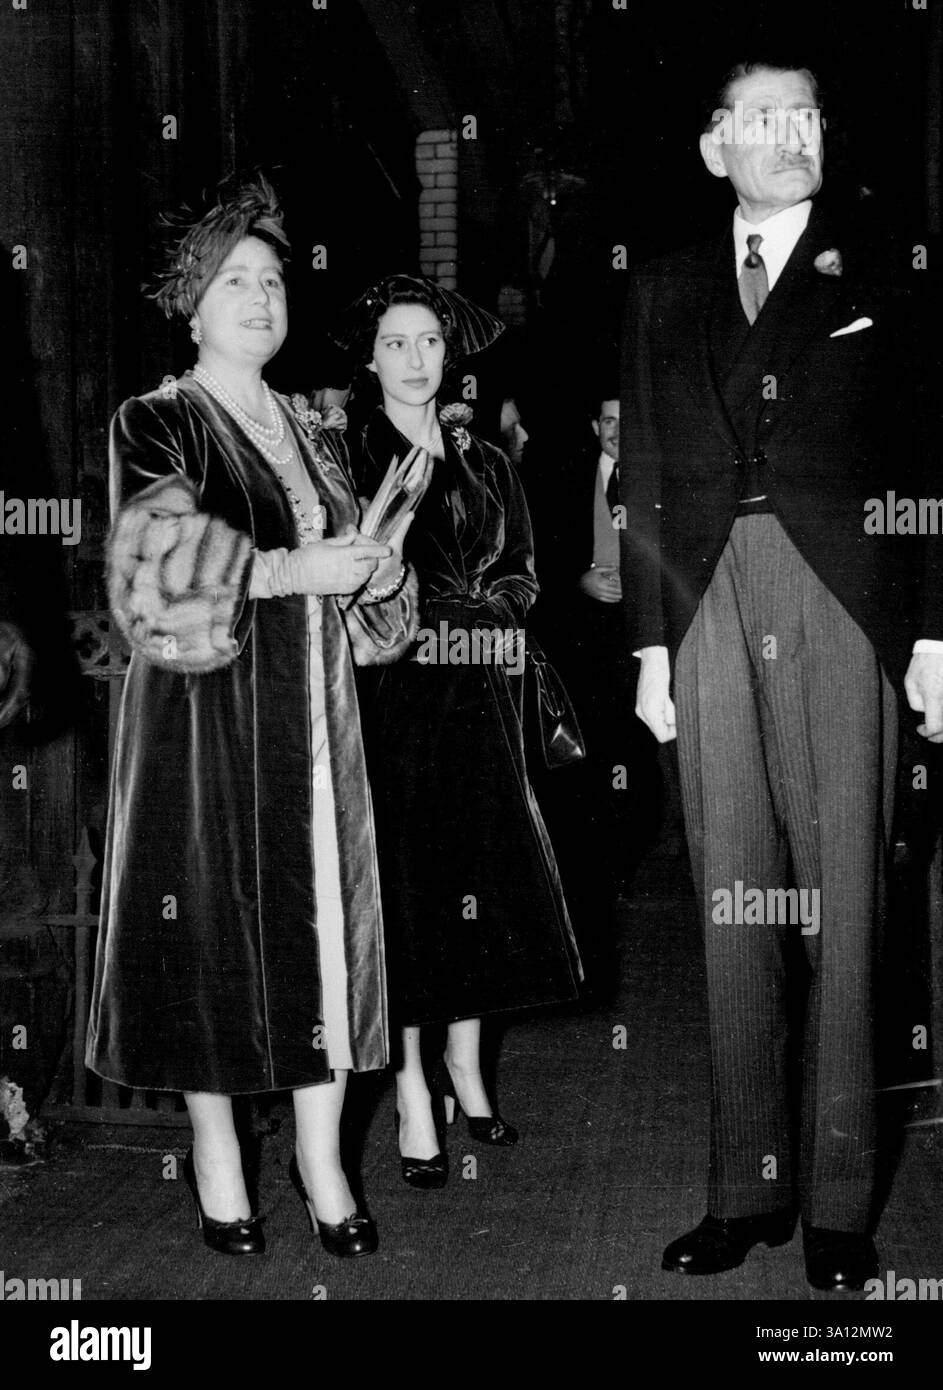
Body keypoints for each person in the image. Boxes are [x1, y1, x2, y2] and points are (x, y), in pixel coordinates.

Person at [620, 60, 942, 1291]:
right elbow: (641, 472)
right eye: (764, 118)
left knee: (845, 905)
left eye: (807, 113)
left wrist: (931, 637)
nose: (791, 134)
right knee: (731, 900)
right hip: (702, 601)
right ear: (715, 148)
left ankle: (844, 1206)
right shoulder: (662, 285)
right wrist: (648, 646)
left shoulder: (889, 272)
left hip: (841, 599)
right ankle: (744, 1187)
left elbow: (929, 452)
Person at [86, 177, 419, 1260]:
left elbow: (373, 616)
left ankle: (323, 1163)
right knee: (209, 928)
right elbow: (154, 570)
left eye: (272, 279)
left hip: (317, 726)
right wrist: (291, 569)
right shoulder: (157, 421)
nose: (259, 295)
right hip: (202, 722)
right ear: (192, 301)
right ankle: (219, 1161)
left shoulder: (317, 426)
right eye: (234, 278)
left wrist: (373, 577)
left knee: (324, 928)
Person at [334, 274, 581, 1187]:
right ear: (370, 358)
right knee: (406, 897)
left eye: (429, 342)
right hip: (389, 701)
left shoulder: (486, 461)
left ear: (450, 355)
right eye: (395, 343)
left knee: (478, 882)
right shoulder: (347, 457)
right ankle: (409, 1092)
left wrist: (490, 626)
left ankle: (467, 1070)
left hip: (477, 696)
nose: (414, 358)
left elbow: (520, 576)